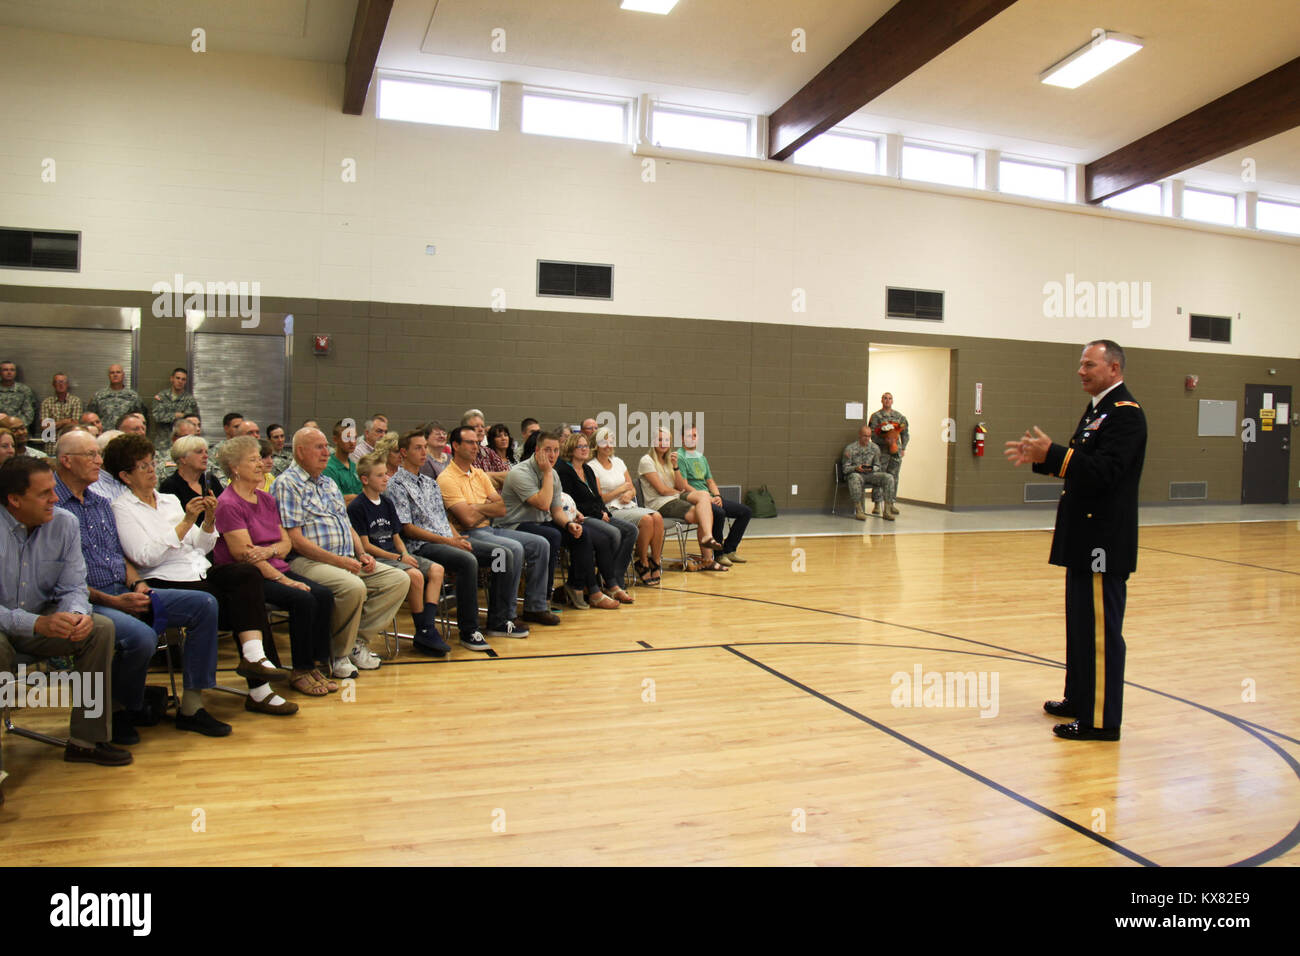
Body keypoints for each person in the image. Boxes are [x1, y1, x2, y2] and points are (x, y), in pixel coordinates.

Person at [1004, 339, 1147, 742]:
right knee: (1080, 625)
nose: (1081, 371)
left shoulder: (1126, 415)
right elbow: (1082, 467)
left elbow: (1107, 471)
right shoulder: (1099, 409)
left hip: (1103, 541)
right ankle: (1079, 698)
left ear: (1114, 368)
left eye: (1089, 364)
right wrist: (1044, 457)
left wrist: (1055, 454)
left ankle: (1100, 721)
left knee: (1100, 632)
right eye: (1081, 364)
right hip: (1084, 539)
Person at [107, 433, 297, 720]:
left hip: (196, 571)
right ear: (125, 475)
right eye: (143, 466)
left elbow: (202, 545)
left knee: (245, 577)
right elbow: (144, 556)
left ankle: (255, 658)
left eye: (151, 463)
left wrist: (208, 521)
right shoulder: (121, 508)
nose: (151, 470)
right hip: (163, 580)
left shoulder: (169, 499)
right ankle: (257, 686)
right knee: (244, 601)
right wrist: (185, 522)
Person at [52, 430, 224, 741]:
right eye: (90, 455)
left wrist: (137, 584)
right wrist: (115, 599)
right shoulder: (66, 508)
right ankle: (120, 708)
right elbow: (63, 578)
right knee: (143, 637)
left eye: (98, 454)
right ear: (66, 461)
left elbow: (120, 557)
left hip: (127, 586)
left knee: (205, 604)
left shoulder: (98, 503)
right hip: (89, 597)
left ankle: (192, 707)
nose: (97, 461)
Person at [0, 456, 129, 766]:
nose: (55, 498)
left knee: (99, 628)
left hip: (42, 622)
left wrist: (76, 615)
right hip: (8, 626)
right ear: (14, 500)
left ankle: (87, 739)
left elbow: (74, 585)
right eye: (45, 493)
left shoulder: (64, 523)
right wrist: (36, 624)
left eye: (53, 490)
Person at [272, 427, 409, 677]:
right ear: (300, 451)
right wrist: (341, 561)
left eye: (327, 447)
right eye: (320, 447)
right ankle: (339, 654)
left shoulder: (328, 484)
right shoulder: (287, 484)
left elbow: (347, 525)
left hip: (346, 559)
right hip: (307, 561)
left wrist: (361, 554)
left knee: (398, 579)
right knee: (352, 587)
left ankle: (357, 642)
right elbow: (295, 540)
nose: (327, 452)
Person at [214, 435, 337, 698]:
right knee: (303, 599)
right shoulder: (228, 503)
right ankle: (301, 670)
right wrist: (285, 581)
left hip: (274, 565)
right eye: (253, 460)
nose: (261, 464)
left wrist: (270, 551)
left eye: (260, 458)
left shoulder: (266, 499)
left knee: (324, 595)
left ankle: (316, 664)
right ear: (235, 468)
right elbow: (245, 556)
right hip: (247, 577)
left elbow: (284, 543)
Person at [387, 429, 503, 652]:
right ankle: (469, 630)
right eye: (418, 448)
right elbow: (409, 529)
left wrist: (457, 537)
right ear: (403, 452)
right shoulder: (396, 485)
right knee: (467, 561)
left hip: (447, 539)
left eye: (424, 448)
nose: (424, 452)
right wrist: (449, 542)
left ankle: (499, 618)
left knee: (500, 555)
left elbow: (442, 518)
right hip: (421, 546)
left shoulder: (429, 483)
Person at [439, 425, 559, 627]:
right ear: (455, 446)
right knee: (508, 551)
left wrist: (475, 508)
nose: (476, 447)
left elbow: (502, 508)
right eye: (469, 442)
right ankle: (502, 615)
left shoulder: (478, 474)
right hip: (466, 536)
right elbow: (467, 521)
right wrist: (486, 507)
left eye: (477, 442)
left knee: (540, 544)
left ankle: (535, 607)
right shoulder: (446, 478)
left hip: (489, 530)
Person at [502, 430, 612, 610]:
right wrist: (546, 473)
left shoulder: (551, 474)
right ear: (537, 450)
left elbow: (556, 510)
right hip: (515, 524)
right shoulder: (520, 472)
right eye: (547, 450)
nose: (552, 455)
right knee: (551, 536)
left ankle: (578, 587)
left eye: (555, 450)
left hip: (540, 522)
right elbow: (543, 504)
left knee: (581, 534)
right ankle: (542, 600)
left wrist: (569, 524)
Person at [348, 454, 446, 651]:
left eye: (386, 474)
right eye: (380, 475)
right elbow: (366, 545)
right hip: (379, 559)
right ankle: (423, 628)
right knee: (416, 576)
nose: (386, 478)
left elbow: (396, 536)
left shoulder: (387, 503)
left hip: (397, 556)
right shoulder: (358, 507)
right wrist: (398, 558)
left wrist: (404, 554)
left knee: (437, 570)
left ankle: (427, 628)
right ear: (365, 480)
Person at [556, 431, 636, 603]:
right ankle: (610, 582)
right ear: (571, 448)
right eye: (580, 446)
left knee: (630, 530)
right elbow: (571, 502)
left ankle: (613, 575)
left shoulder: (587, 469)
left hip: (598, 513)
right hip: (581, 516)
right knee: (613, 534)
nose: (585, 449)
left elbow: (597, 497)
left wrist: (604, 512)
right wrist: (598, 514)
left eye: (586, 446)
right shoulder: (564, 470)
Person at [638, 427, 727, 571]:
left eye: (666, 440)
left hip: (674, 499)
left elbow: (680, 485)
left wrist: (675, 467)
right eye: (660, 439)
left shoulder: (670, 460)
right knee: (704, 514)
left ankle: (708, 540)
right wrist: (678, 491)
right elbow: (662, 490)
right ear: (653, 441)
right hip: (659, 503)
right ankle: (708, 558)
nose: (663, 443)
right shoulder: (646, 460)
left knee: (704, 497)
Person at [589, 426, 664, 585]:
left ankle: (655, 561)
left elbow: (632, 488)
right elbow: (599, 498)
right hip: (609, 509)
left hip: (628, 505)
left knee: (657, 517)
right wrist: (620, 490)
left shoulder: (618, 462)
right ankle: (642, 561)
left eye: (611, 441)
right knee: (646, 520)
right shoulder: (592, 466)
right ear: (596, 445)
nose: (608, 445)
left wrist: (629, 493)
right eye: (604, 442)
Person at [678, 425, 750, 565]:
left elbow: (710, 481)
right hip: (695, 498)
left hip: (710, 496)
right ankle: (718, 554)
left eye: (694, 435)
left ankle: (729, 549)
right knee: (719, 513)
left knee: (745, 512)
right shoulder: (680, 457)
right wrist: (708, 498)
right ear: (682, 439)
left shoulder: (701, 457)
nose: (692, 439)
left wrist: (717, 496)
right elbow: (684, 486)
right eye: (688, 436)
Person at [842, 425, 896, 521]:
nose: (867, 438)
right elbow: (845, 469)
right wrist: (856, 468)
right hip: (857, 474)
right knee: (854, 477)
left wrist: (871, 468)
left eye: (869, 436)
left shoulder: (875, 448)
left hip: (870, 474)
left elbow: (878, 466)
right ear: (859, 435)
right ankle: (859, 510)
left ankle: (887, 511)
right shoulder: (850, 448)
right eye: (865, 436)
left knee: (889, 477)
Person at [868, 392, 909, 516]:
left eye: (890, 398)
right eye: (885, 398)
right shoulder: (876, 416)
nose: (887, 400)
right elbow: (873, 435)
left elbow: (905, 433)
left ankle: (890, 503)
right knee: (880, 476)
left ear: (892, 401)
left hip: (895, 452)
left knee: (894, 477)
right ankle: (877, 504)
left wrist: (903, 448)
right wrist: (885, 440)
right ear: (881, 400)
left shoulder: (899, 416)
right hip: (882, 451)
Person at [159, 434, 224, 507]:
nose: (206, 456)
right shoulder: (170, 486)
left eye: (206, 452)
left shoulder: (211, 480)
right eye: (199, 452)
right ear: (183, 458)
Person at [86, 364, 145, 442]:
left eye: (118, 372)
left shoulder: (133, 396)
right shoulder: (99, 396)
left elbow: (140, 418)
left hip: (125, 437)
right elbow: (91, 416)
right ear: (109, 376)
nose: (115, 375)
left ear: (123, 375)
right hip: (104, 436)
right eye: (112, 373)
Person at [150, 368, 200, 452]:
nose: (180, 381)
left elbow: (193, 420)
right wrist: (176, 416)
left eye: (183, 379)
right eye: (178, 378)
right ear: (172, 379)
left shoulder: (190, 400)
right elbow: (157, 417)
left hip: (183, 442)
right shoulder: (161, 397)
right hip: (163, 443)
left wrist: (169, 415)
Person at [461, 409, 510, 488]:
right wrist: (498, 480)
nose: (481, 430)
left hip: (499, 498)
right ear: (464, 430)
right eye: (476, 426)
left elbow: (509, 476)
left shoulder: (488, 452)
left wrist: (488, 475)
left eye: (482, 426)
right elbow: (472, 483)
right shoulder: (462, 453)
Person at [40, 372, 82, 454]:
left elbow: (75, 424)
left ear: (67, 384)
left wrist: (54, 424)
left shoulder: (76, 401)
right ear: (53, 384)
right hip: (51, 444)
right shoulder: (46, 402)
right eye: (58, 382)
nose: (61, 384)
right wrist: (64, 421)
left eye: (63, 382)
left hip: (70, 444)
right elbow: (45, 427)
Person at [324, 419, 363, 502]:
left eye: (354, 438)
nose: (352, 443)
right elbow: (336, 500)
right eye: (347, 438)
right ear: (335, 440)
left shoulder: (355, 467)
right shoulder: (328, 467)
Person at [0, 361, 37, 430]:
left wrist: (14, 426)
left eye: (12, 370)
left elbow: (28, 415)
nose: (9, 372)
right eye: (5, 370)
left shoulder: (24, 390)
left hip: (19, 431)